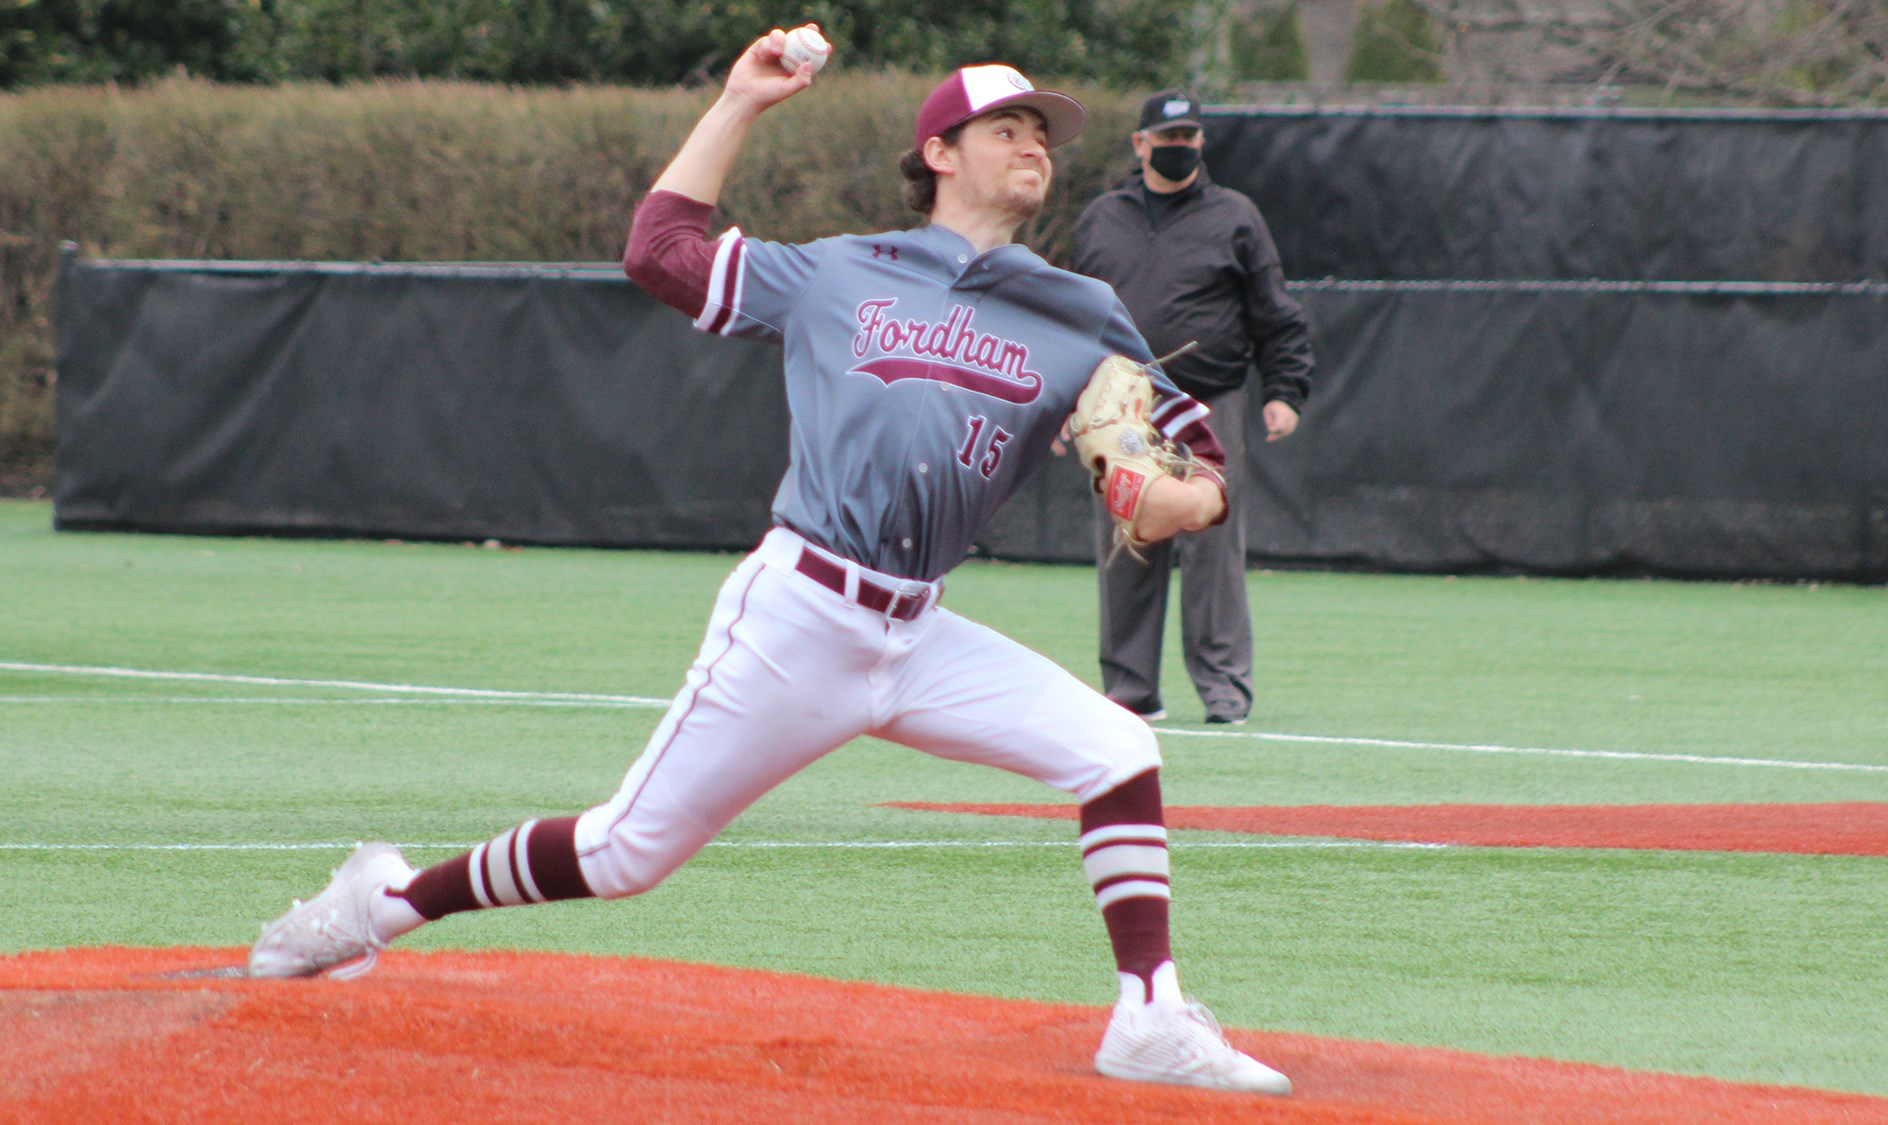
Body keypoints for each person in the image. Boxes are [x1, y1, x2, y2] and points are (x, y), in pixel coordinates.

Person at [247, 32, 1290, 1098]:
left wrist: (1185, 495)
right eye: (1007, 128)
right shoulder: (841, 271)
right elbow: (658, 252)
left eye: (1044, 134)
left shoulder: (1077, 314)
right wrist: (741, 101)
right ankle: (382, 905)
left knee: (1115, 750)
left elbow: (1195, 453)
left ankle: (1148, 1016)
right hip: (799, 615)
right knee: (623, 857)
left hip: (917, 632)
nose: (1035, 146)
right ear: (939, 151)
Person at [1069, 90, 1315, 726]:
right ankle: (1129, 691)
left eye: (1189, 138)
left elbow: (1275, 313)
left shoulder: (1234, 216)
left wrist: (1285, 390)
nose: (1179, 148)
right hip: (1121, 408)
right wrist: (1063, 403)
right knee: (1129, 539)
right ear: (1140, 144)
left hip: (1208, 403)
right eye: (1167, 138)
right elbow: (1071, 321)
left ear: (1201, 144)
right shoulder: (1101, 218)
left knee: (1212, 547)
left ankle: (1224, 690)